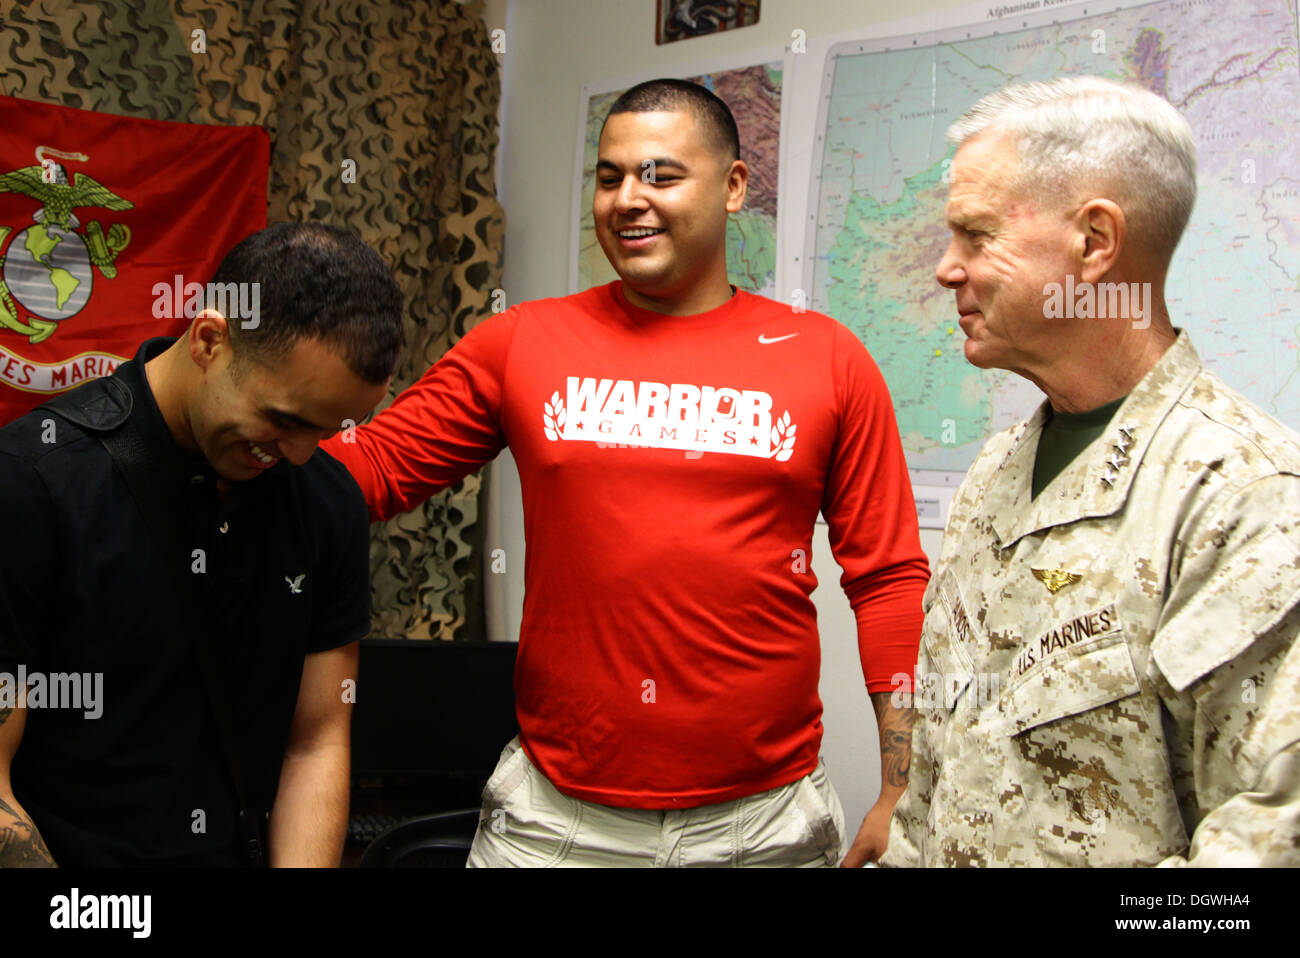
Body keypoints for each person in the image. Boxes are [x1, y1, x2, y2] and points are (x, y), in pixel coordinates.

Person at [321, 79, 929, 867]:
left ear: (735, 187)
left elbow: (886, 576)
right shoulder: (524, 342)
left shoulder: (828, 358)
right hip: (556, 826)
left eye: (661, 175)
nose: (627, 200)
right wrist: (200, 434)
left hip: (763, 828)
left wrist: (900, 786)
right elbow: (370, 470)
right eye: (609, 178)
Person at [882, 76, 1300, 867]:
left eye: (975, 235)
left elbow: (1262, 857)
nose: (946, 268)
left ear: (1095, 242)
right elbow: (934, 776)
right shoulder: (997, 471)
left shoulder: (1244, 497)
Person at [0, 222, 403, 866]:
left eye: (324, 432)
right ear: (210, 340)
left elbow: (317, 739)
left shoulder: (326, 499)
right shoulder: (32, 482)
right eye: (284, 421)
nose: (297, 455)